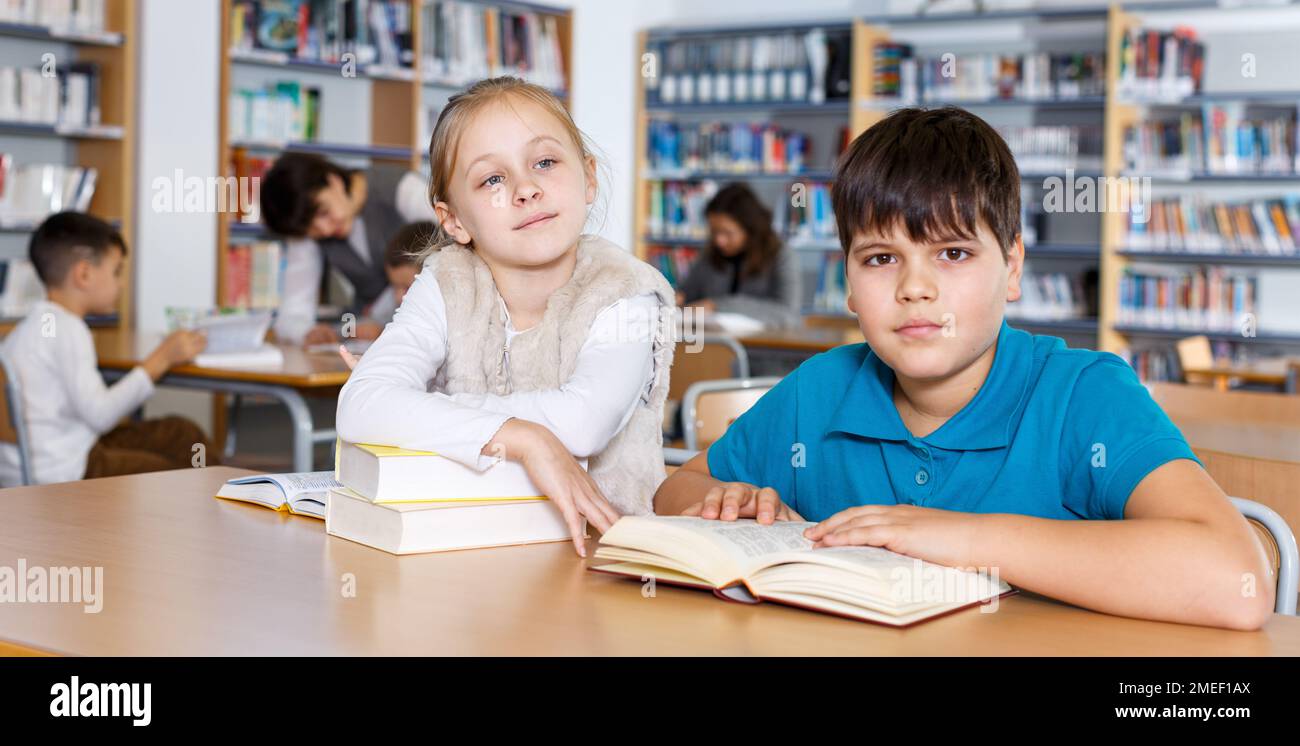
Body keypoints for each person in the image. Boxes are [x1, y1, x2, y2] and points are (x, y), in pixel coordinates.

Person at [652, 107, 1274, 630]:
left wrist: (964, 538)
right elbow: (675, 488)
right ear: (846, 282)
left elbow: (1235, 579)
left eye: (952, 252)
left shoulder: (1083, 396)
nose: (915, 288)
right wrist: (726, 499)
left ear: (1012, 268)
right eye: (879, 258)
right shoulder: (819, 390)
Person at [336, 77, 676, 557]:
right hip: (467, 550)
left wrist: (422, 403)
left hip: (607, 559)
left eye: (545, 162)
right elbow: (359, 406)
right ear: (453, 220)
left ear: (589, 178)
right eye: (492, 179)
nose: (525, 189)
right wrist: (520, 435)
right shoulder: (444, 282)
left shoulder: (626, 293)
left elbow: (581, 424)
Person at [0, 212, 216, 486]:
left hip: (44, 460)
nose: (121, 284)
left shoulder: (32, 327)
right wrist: (161, 359)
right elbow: (101, 416)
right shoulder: (67, 330)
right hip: (67, 472)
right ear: (84, 274)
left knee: (181, 433)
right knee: (176, 472)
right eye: (116, 272)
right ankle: (218, 512)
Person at [259, 153, 434, 345]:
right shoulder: (304, 224)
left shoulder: (403, 189)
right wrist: (307, 333)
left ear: (333, 181)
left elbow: (455, 248)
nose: (325, 229)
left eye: (324, 212)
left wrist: (383, 323)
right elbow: (293, 313)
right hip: (366, 332)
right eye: (312, 230)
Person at [675, 182, 801, 328]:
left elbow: (789, 314)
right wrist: (673, 299)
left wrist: (716, 305)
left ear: (749, 229)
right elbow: (686, 294)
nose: (719, 241)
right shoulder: (710, 254)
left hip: (766, 345)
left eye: (728, 233)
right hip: (715, 343)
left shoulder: (781, 255)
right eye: (714, 231)